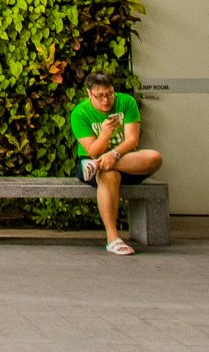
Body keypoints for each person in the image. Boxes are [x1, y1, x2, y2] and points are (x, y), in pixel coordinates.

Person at [69, 70, 163, 256]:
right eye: (100, 96)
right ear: (89, 94)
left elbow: (132, 141)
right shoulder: (80, 113)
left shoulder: (126, 102)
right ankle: (113, 239)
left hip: (124, 159)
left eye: (109, 94)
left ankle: (97, 165)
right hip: (91, 162)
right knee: (108, 174)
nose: (106, 100)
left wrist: (114, 155)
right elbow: (93, 151)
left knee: (154, 157)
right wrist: (105, 134)